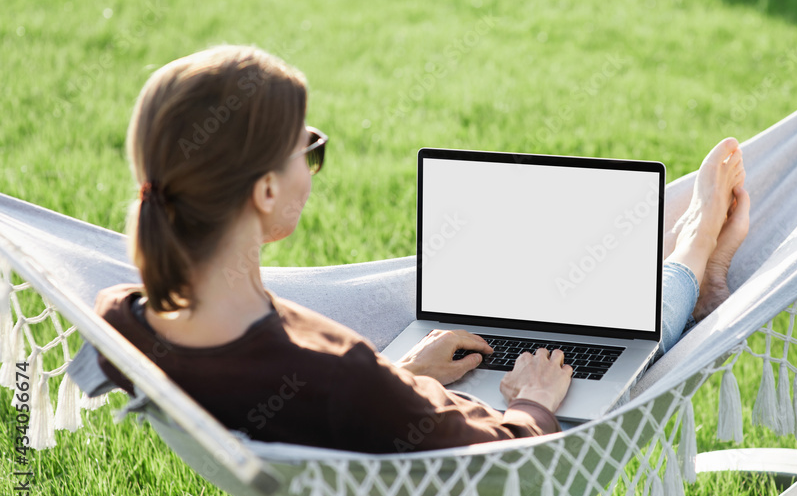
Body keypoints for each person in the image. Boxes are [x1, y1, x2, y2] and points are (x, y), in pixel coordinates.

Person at [93, 45, 748, 454]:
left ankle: (690, 270)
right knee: (631, 328)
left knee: (607, 308)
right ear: (266, 190)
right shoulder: (346, 376)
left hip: (394, 385)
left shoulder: (122, 320)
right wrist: (534, 398)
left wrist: (406, 370)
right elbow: (504, 455)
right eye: (309, 149)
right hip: (511, 426)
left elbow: (327, 394)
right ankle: (693, 253)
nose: (312, 166)